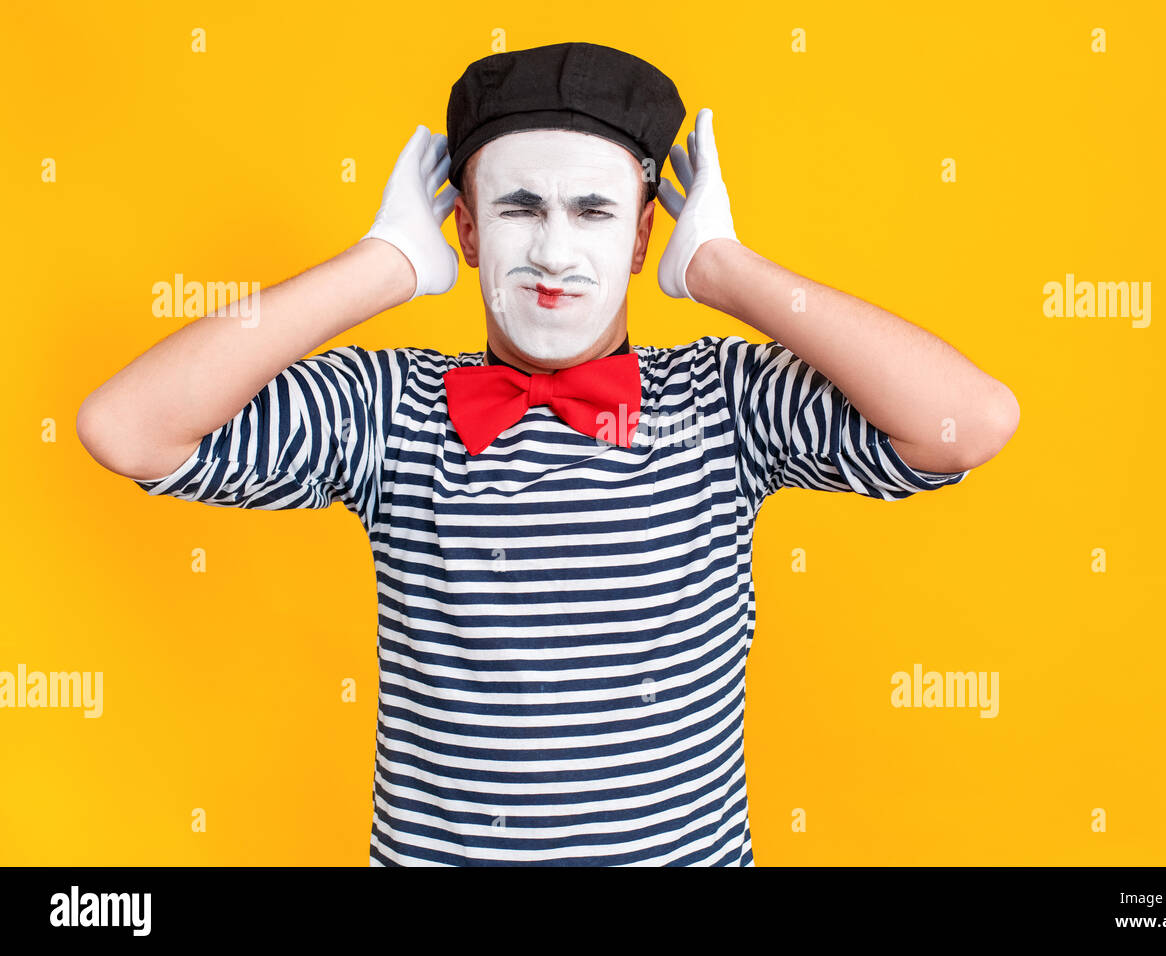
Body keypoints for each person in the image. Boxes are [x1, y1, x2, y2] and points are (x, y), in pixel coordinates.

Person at [77, 41, 1019, 866]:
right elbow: (127, 430)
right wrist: (383, 266)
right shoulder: (387, 408)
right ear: (470, 231)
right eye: (520, 209)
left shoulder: (724, 402)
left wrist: (726, 271)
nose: (557, 253)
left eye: (597, 212)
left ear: (648, 234)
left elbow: (968, 422)